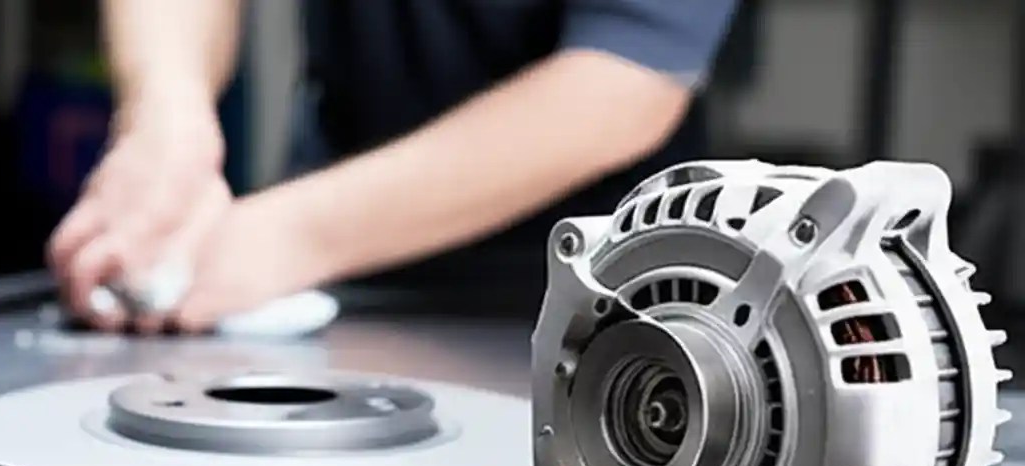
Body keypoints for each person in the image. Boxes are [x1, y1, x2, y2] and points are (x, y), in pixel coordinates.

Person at [48, 1, 740, 333]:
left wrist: (289, 236)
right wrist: (165, 116)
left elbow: (625, 85)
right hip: (319, 279)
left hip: (592, 301)